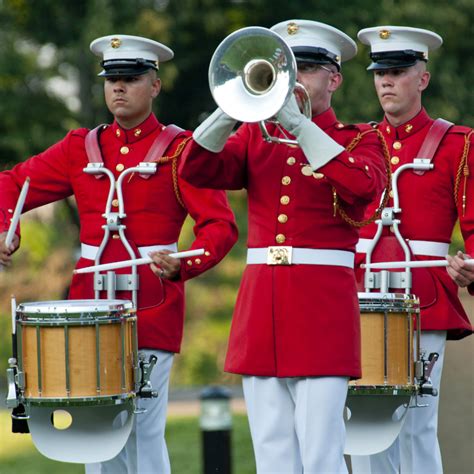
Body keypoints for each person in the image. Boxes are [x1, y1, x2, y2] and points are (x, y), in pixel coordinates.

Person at [0, 34, 238, 473]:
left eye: (131, 78)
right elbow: (13, 183)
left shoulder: (181, 150)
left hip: (152, 302)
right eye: (112, 80)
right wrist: (5, 226)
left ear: (155, 85)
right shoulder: (79, 147)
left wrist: (184, 263)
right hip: (89, 306)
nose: (119, 88)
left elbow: (220, 227)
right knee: (96, 427)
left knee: (145, 429)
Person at [179, 19, 388, 473]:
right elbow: (194, 169)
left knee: (320, 453)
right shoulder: (256, 137)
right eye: (285, 68)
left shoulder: (360, 138)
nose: (294, 78)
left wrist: (297, 122)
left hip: (321, 311)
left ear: (334, 78)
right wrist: (229, 105)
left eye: (306, 68)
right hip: (262, 306)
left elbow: (360, 186)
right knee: (271, 453)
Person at [351, 26, 474, 474]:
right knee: (361, 425)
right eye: (379, 72)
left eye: (398, 71)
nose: (385, 81)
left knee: (417, 424)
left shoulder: (457, 144)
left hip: (423, 295)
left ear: (422, 79)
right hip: (358, 296)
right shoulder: (355, 141)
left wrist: (472, 269)